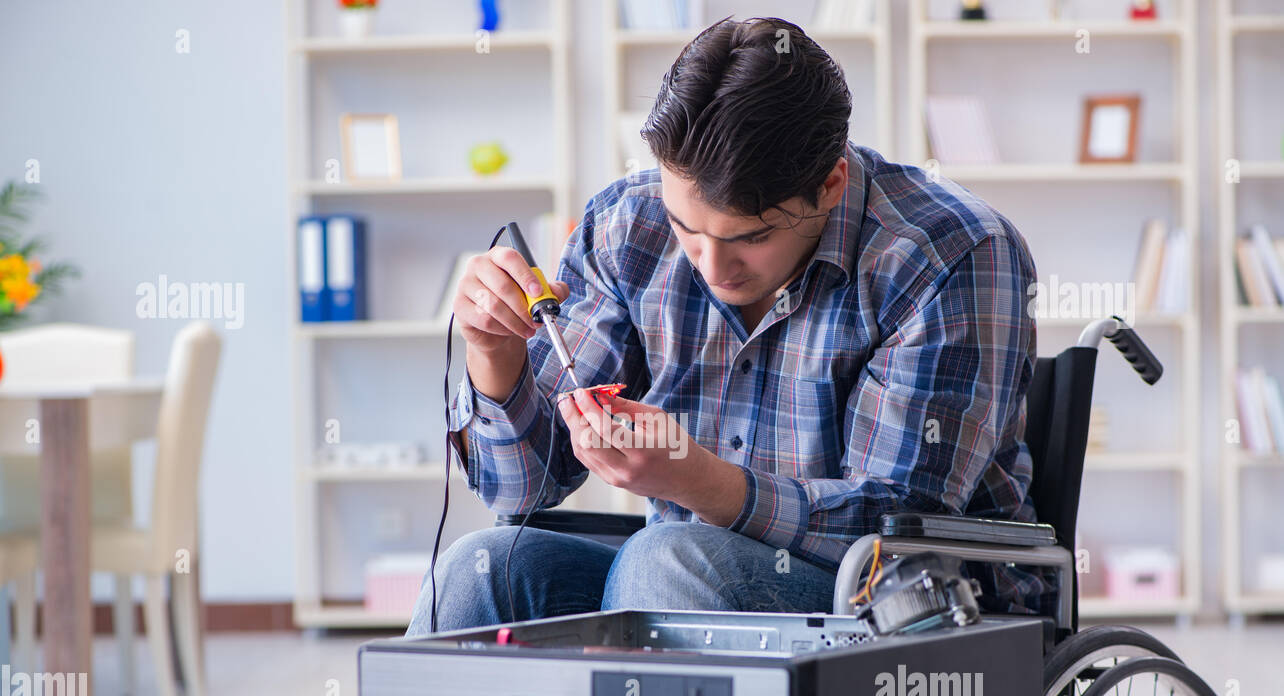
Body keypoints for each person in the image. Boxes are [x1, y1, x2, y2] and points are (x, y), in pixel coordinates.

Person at [407, 15, 1052, 636]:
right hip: (679, 573)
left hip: (910, 604)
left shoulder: (949, 255)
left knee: (666, 560)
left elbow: (901, 532)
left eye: (751, 236)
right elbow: (522, 488)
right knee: (477, 569)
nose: (712, 266)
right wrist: (494, 357)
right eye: (687, 227)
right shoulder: (628, 228)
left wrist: (696, 479)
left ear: (830, 184)